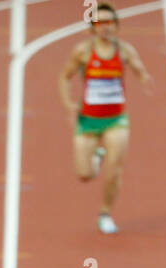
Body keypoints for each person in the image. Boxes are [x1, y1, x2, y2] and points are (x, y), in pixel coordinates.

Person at [58, 2, 154, 234]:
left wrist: (143, 77)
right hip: (88, 120)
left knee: (115, 170)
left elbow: (139, 67)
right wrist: (68, 104)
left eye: (110, 22)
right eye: (100, 23)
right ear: (92, 28)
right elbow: (64, 77)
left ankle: (105, 214)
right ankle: (97, 158)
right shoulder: (82, 51)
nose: (105, 28)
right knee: (84, 174)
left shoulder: (125, 50)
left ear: (116, 26)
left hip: (116, 120)